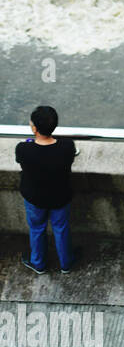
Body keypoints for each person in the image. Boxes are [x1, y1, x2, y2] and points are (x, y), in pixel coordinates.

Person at [16, 105, 77, 274]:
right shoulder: (67, 147)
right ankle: (66, 262)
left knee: (36, 228)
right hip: (60, 196)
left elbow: (21, 161)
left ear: (34, 128)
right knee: (61, 228)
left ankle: (38, 263)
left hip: (35, 197)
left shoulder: (23, 149)